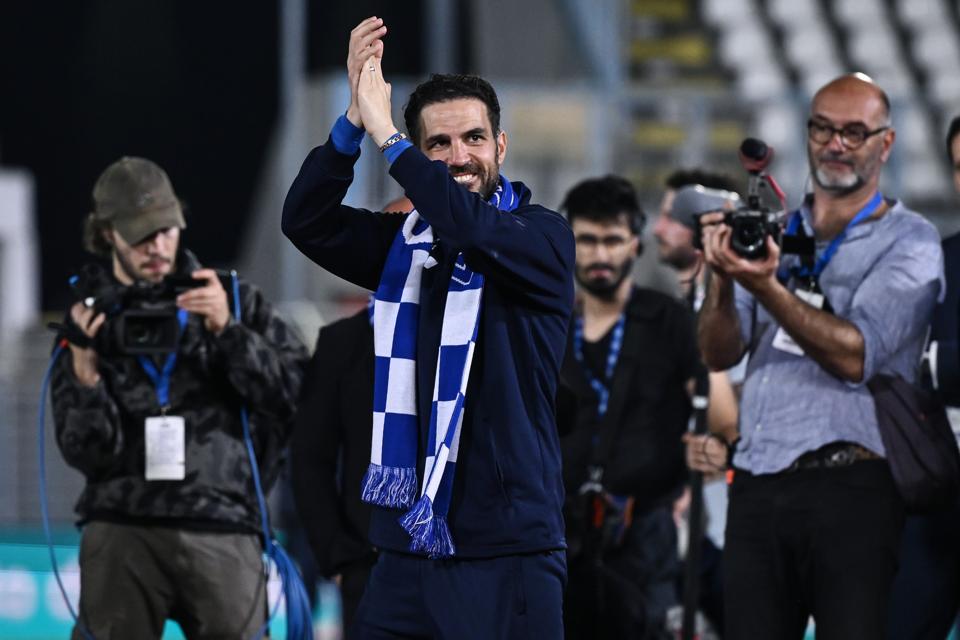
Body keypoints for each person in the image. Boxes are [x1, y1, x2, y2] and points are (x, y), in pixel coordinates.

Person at [281, 16, 574, 640]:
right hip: (406, 547)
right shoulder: (403, 247)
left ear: (501, 146)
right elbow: (306, 221)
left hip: (507, 549)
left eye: (474, 138)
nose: (458, 157)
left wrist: (392, 140)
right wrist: (352, 123)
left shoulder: (542, 237)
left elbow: (470, 225)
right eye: (438, 144)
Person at [697, 73, 943, 639]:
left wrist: (765, 287)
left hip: (854, 485)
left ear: (886, 142)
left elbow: (857, 356)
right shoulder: (772, 232)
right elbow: (717, 351)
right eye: (823, 129)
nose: (835, 144)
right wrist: (721, 276)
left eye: (854, 132)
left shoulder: (910, 240)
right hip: (757, 479)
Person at [50, 156, 308, 639]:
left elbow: (295, 398)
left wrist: (228, 332)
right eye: (140, 234)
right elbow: (85, 454)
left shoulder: (234, 299)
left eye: (165, 229)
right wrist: (85, 377)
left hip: (223, 519)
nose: (157, 246)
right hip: (122, 521)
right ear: (106, 233)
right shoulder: (88, 321)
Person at [558, 175, 700, 639]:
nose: (600, 255)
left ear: (636, 243)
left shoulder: (669, 320)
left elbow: (715, 415)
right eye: (587, 240)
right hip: (562, 535)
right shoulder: (551, 327)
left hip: (646, 534)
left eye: (613, 240)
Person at [886, 115, 960, 640]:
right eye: (959, 167)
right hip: (936, 489)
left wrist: (937, 364)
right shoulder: (938, 260)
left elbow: (922, 363)